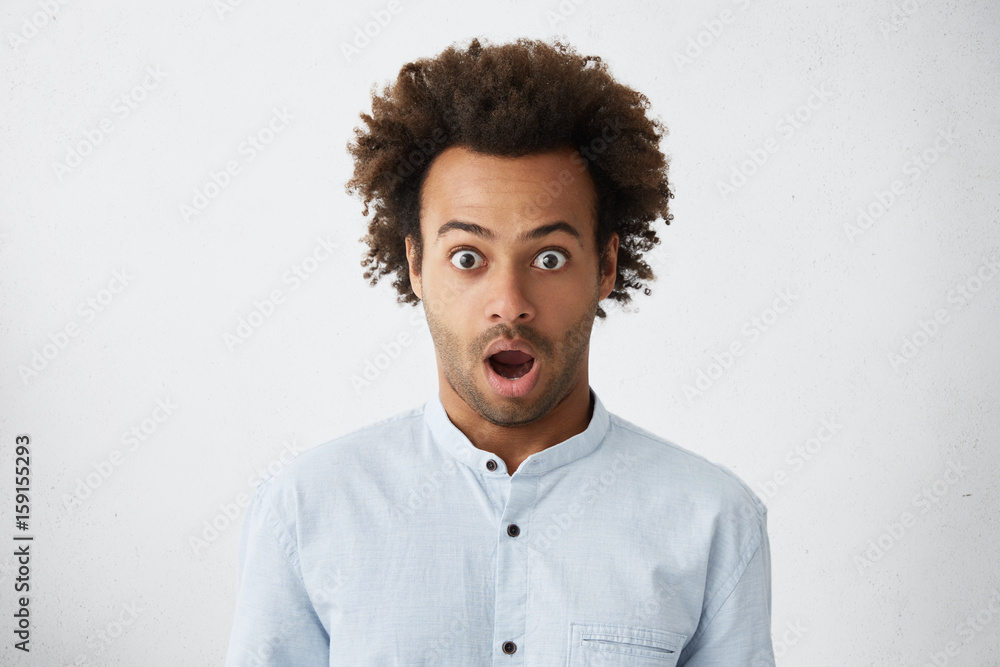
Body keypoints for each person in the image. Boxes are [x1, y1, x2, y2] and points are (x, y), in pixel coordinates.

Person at [225, 36, 775, 666]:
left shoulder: (713, 520)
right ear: (415, 265)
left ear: (606, 266)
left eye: (549, 257)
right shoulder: (304, 510)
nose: (509, 301)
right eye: (467, 258)